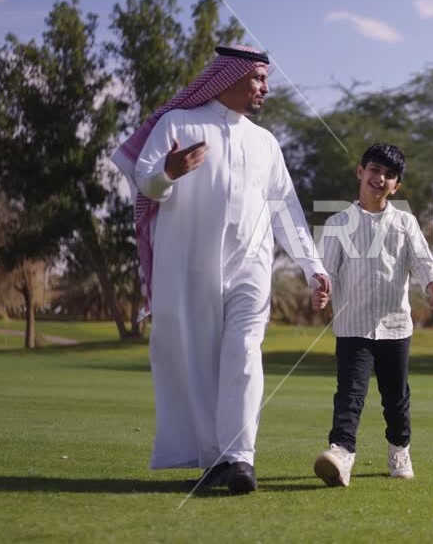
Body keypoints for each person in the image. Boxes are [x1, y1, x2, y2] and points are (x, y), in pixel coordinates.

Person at [111, 44, 330, 494]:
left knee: (245, 353)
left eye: (266, 80)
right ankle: (216, 460)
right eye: (258, 79)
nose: (265, 88)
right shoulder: (177, 124)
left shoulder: (265, 142)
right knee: (200, 363)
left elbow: (285, 210)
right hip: (189, 266)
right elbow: (145, 183)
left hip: (251, 267)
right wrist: (168, 173)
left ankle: (241, 458)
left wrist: (313, 267)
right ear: (229, 78)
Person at [311, 143, 433, 487]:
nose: (380, 178)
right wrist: (321, 290)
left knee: (396, 398)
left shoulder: (405, 223)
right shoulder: (338, 223)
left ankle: (399, 450)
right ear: (361, 172)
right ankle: (341, 454)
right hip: (353, 326)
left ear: (396, 186)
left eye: (389, 175)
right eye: (374, 170)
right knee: (350, 395)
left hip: (395, 326)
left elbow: (423, 262)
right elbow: (326, 271)